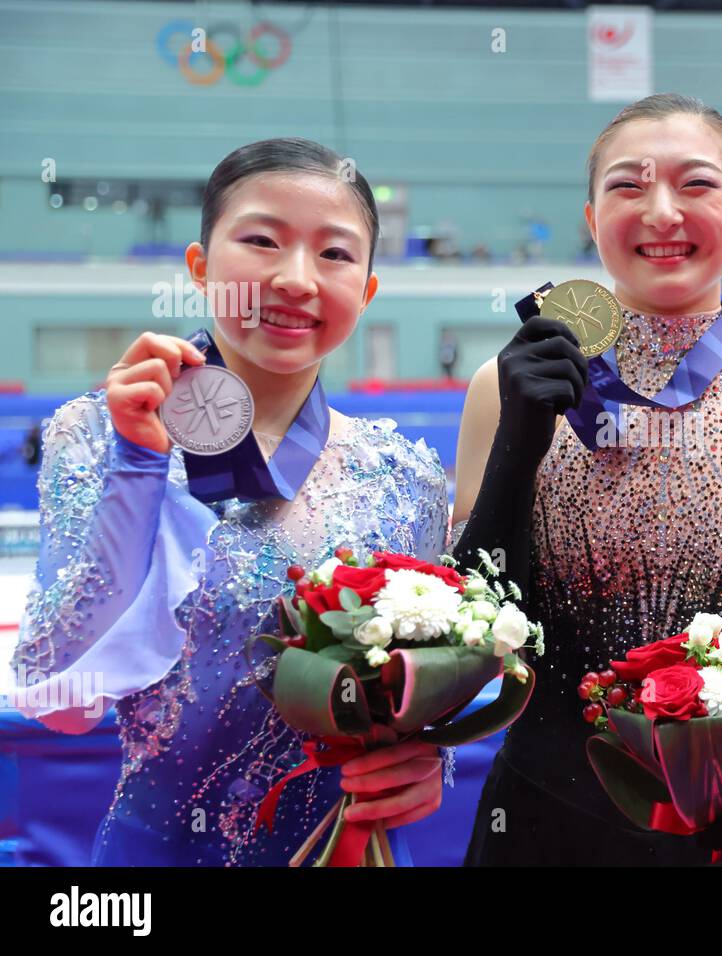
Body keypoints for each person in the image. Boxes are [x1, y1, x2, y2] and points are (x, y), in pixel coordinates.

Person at [453, 93, 722, 865]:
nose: (661, 211)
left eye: (696, 184)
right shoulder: (504, 386)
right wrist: (519, 441)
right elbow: (477, 624)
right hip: (539, 822)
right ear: (590, 218)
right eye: (628, 186)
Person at [12, 138, 453, 865]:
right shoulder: (98, 433)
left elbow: (418, 694)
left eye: (336, 255)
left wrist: (429, 764)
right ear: (200, 266)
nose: (296, 278)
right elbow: (56, 688)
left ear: (368, 291)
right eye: (261, 241)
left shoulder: (405, 473)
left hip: (348, 850)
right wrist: (139, 462)